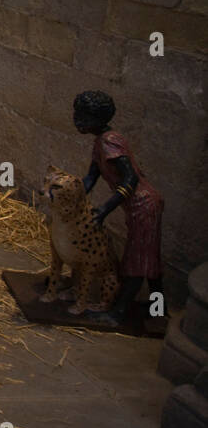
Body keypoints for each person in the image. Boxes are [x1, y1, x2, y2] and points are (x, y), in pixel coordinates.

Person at [74, 91, 164, 324]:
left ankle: (118, 312)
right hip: (137, 205)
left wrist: (105, 209)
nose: (77, 120)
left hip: (143, 204)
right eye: (77, 114)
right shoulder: (99, 143)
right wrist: (72, 198)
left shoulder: (109, 141)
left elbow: (130, 179)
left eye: (83, 116)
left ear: (97, 119)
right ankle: (158, 308)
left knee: (138, 260)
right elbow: (91, 177)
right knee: (149, 259)